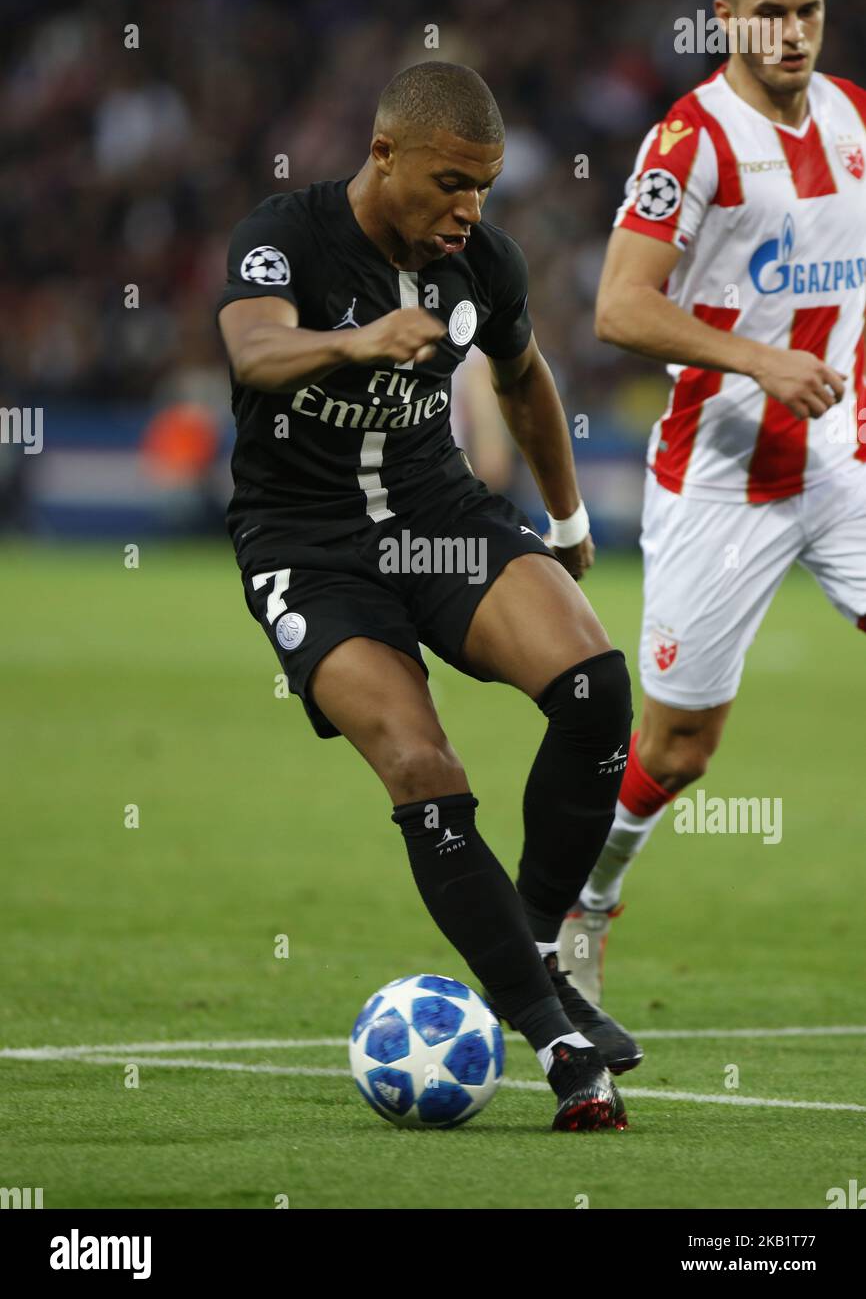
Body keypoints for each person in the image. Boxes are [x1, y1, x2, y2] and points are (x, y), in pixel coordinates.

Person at [216, 61, 642, 1131]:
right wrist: (353, 340)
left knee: (593, 686)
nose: (468, 209)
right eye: (450, 182)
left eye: (484, 187)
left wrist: (570, 513)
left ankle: (534, 942)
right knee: (420, 764)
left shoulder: (481, 262)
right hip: (305, 544)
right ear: (383, 154)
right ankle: (550, 1031)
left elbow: (524, 375)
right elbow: (254, 347)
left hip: (433, 517)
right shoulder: (286, 235)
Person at [558, 0, 866, 1002]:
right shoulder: (687, 144)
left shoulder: (854, 122)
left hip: (838, 462)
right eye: (771, 13)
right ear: (727, 15)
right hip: (720, 475)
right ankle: (586, 902)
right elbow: (616, 308)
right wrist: (757, 360)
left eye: (809, 10)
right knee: (679, 748)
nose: (792, 33)